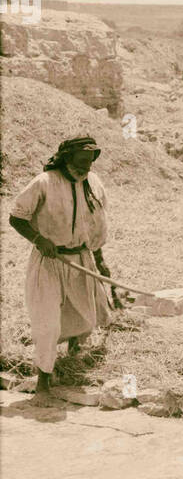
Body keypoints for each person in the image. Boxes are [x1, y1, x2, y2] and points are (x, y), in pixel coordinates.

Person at [8, 136, 114, 397]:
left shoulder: (94, 182)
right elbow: (16, 217)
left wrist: (99, 260)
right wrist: (39, 239)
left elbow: (95, 224)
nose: (86, 167)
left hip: (80, 260)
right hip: (50, 261)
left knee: (84, 317)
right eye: (81, 161)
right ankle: (43, 380)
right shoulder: (44, 183)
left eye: (90, 162)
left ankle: (71, 360)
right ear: (67, 158)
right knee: (47, 322)